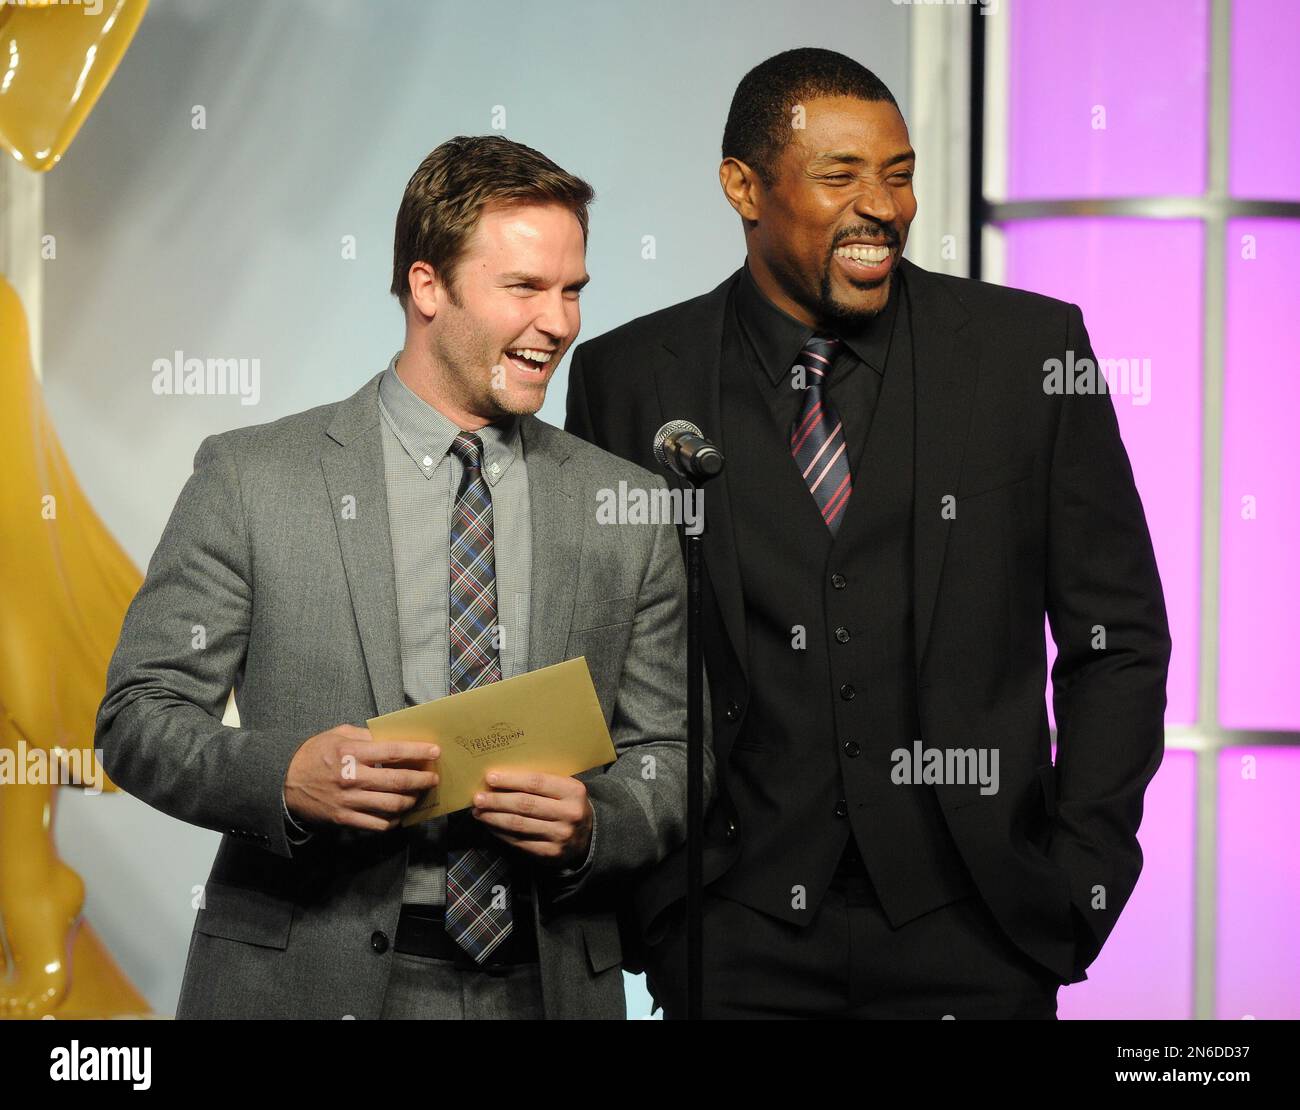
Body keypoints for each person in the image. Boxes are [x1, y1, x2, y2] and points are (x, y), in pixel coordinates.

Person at [565, 48, 1171, 1019]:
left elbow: (1119, 637)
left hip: (979, 931)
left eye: (898, 174)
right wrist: (652, 902)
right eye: (840, 174)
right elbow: (598, 657)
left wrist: (1079, 871)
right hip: (730, 935)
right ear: (743, 187)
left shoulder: (1030, 353)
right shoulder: (629, 376)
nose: (882, 207)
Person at [96, 135, 706, 1020]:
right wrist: (286, 777)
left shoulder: (628, 505)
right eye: (525, 288)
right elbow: (138, 717)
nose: (560, 323)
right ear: (428, 286)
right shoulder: (252, 478)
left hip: (543, 988)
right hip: (305, 982)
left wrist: (596, 825)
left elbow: (675, 754)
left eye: (572, 290)